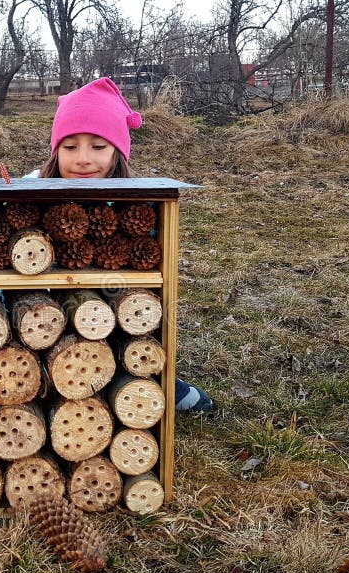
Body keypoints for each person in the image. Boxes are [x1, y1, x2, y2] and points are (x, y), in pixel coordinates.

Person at [27, 77, 214, 413]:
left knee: (127, 315)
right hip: (42, 308)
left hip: (111, 307)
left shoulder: (136, 206)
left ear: (118, 151)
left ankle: (153, 377)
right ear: (56, 152)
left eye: (98, 147)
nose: (83, 159)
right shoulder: (31, 191)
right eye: (69, 147)